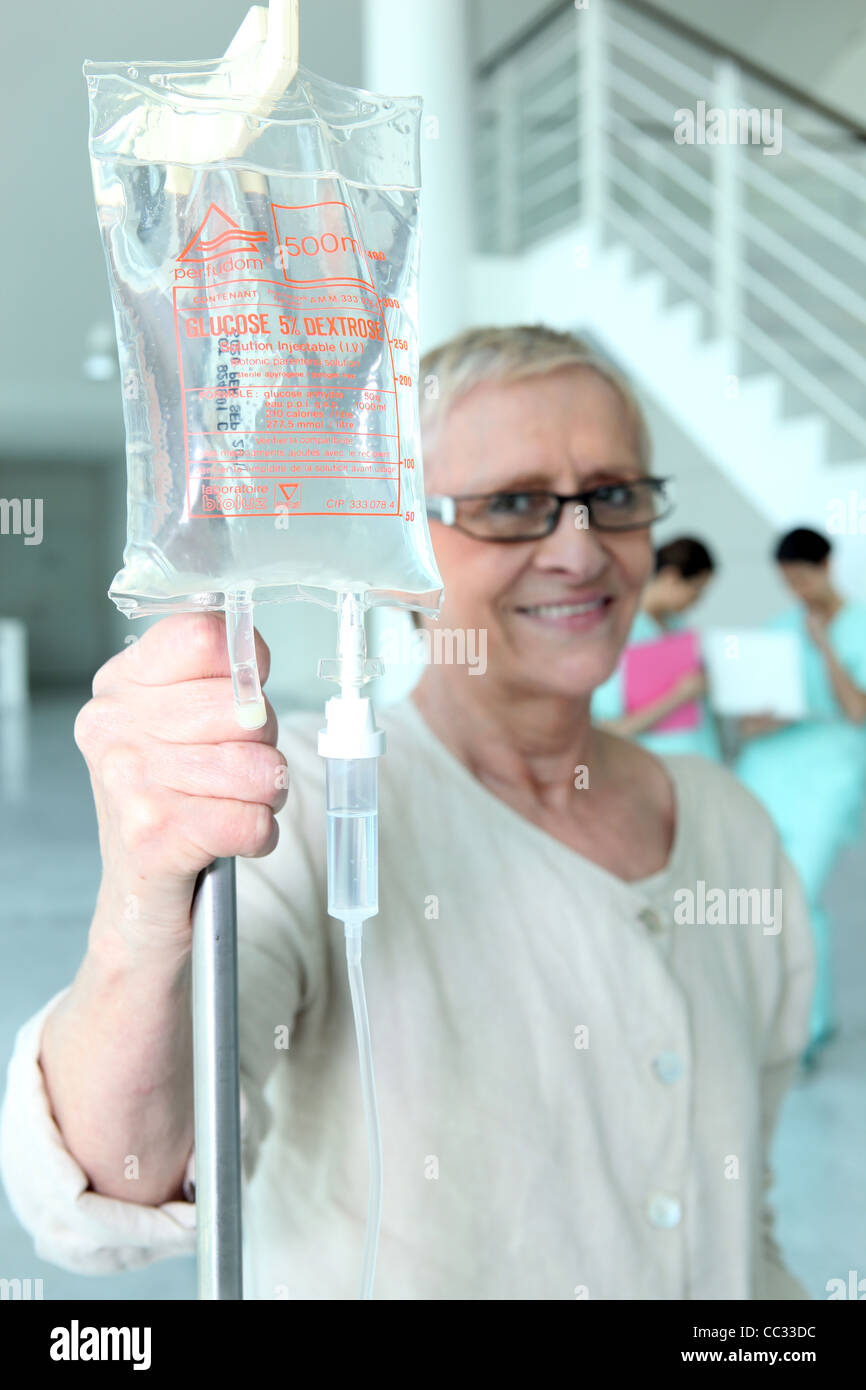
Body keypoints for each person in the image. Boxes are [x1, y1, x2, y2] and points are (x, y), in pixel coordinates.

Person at [0, 325, 813, 1300]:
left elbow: (736, 1210)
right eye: (512, 505)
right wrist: (142, 896)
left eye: (612, 495)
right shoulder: (296, 806)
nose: (579, 548)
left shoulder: (728, 826)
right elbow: (116, 1188)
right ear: (399, 553)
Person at [736, 527, 866, 1064]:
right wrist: (763, 719)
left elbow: (857, 711)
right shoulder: (776, 630)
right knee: (774, 899)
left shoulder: (855, 624)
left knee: (797, 893)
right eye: (787, 581)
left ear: (827, 565)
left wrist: (824, 648)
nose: (796, 589)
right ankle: (809, 1020)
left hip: (830, 774)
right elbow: (748, 721)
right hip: (771, 770)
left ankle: (801, 1032)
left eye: (802, 576)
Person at [592, 537, 722, 761]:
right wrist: (679, 695)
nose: (697, 601)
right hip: (653, 768)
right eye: (695, 590)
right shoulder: (618, 632)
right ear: (671, 577)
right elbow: (609, 729)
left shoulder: (680, 629)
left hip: (701, 763)